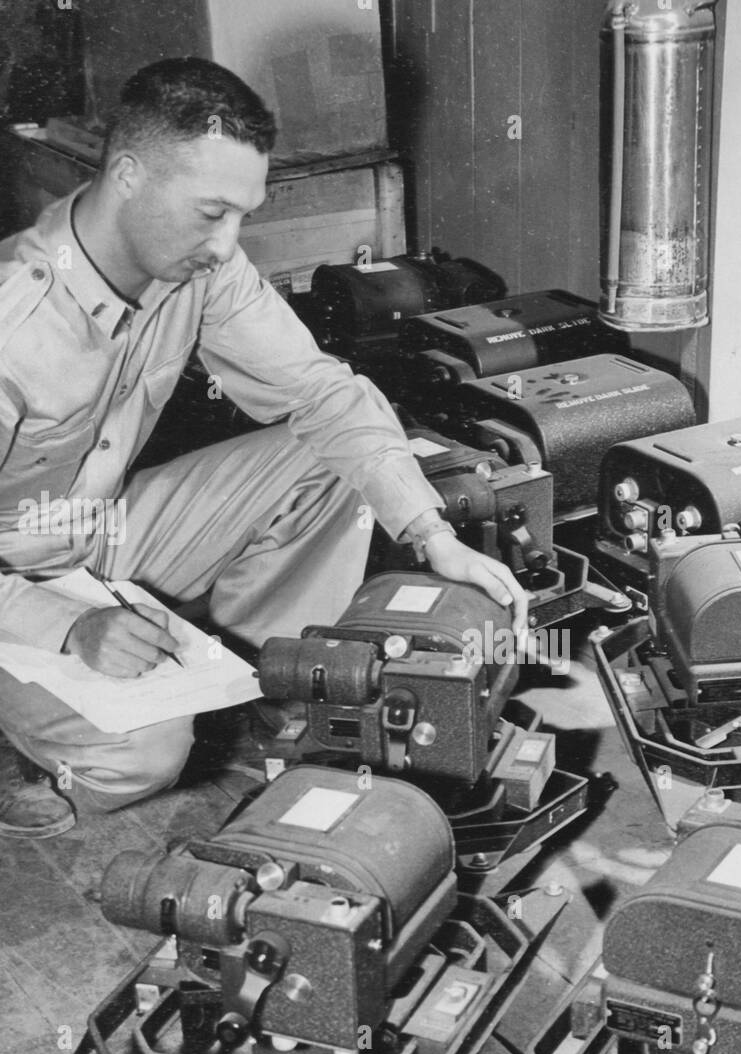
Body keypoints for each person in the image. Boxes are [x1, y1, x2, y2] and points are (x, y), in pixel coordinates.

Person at [0, 57, 527, 838]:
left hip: (97, 534)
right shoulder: (14, 321)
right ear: (129, 176)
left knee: (332, 449)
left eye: (244, 214)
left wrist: (430, 533)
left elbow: (321, 394)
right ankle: (37, 741)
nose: (228, 244)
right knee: (138, 759)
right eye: (212, 212)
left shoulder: (201, 268)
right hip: (14, 582)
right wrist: (68, 630)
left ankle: (269, 681)